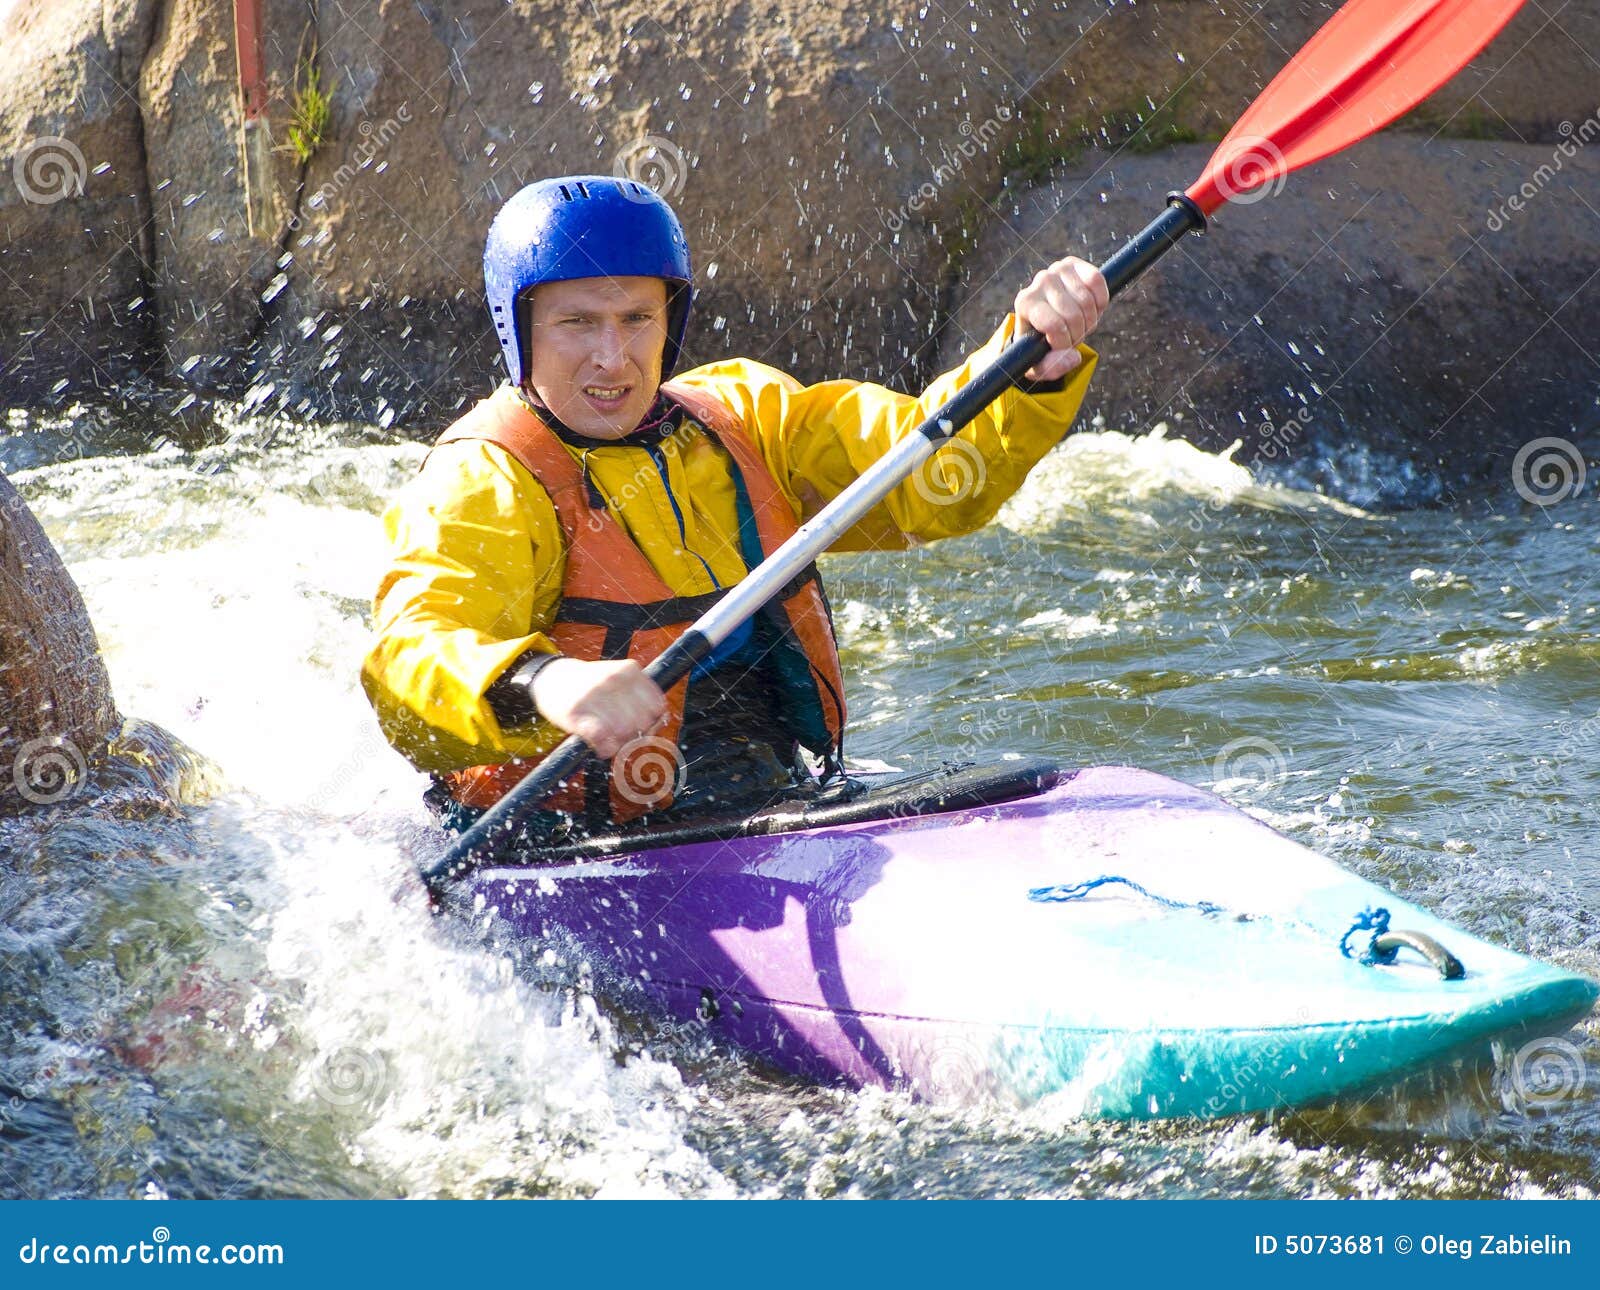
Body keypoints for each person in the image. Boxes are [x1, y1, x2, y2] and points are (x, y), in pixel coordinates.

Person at [362, 174, 1108, 839]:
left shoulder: (746, 419)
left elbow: (930, 478)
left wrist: (1027, 366)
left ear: (671, 321)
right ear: (518, 330)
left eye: (636, 319)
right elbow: (411, 656)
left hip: (769, 801)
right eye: (578, 323)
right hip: (559, 837)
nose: (612, 358)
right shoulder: (486, 478)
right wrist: (545, 683)